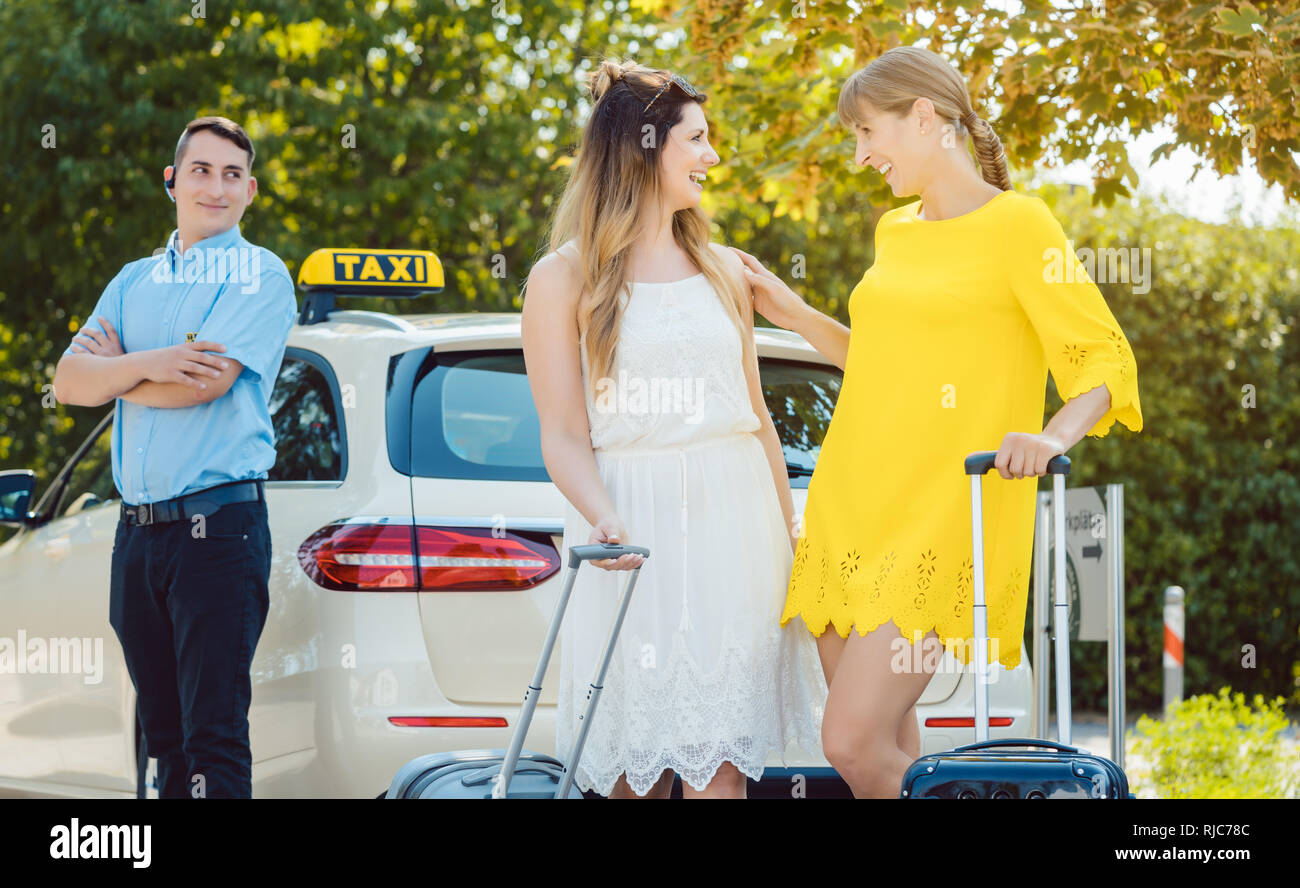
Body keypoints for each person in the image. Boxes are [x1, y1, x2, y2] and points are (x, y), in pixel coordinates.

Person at [731, 45, 1144, 798]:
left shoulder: (1021, 225)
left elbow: (1105, 361)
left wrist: (1052, 437)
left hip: (943, 515)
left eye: (867, 133)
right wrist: (789, 312)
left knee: (851, 742)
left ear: (925, 118)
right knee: (884, 746)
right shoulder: (896, 231)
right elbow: (881, 362)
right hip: (850, 505)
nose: (861, 156)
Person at [522, 59, 827, 798]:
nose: (712, 157)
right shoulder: (562, 278)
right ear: (645, 146)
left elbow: (755, 419)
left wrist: (788, 535)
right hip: (633, 533)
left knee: (719, 767)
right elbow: (563, 433)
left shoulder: (726, 269)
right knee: (634, 776)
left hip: (735, 533)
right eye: (697, 139)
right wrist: (600, 515)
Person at [51, 116, 298, 798]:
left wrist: (117, 374)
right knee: (162, 740)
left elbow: (204, 384)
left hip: (217, 531)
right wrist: (156, 360)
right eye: (200, 170)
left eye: (231, 175)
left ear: (250, 191)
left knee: (211, 740)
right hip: (138, 535)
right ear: (173, 181)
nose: (215, 187)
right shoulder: (133, 281)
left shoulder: (260, 275)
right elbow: (69, 385)